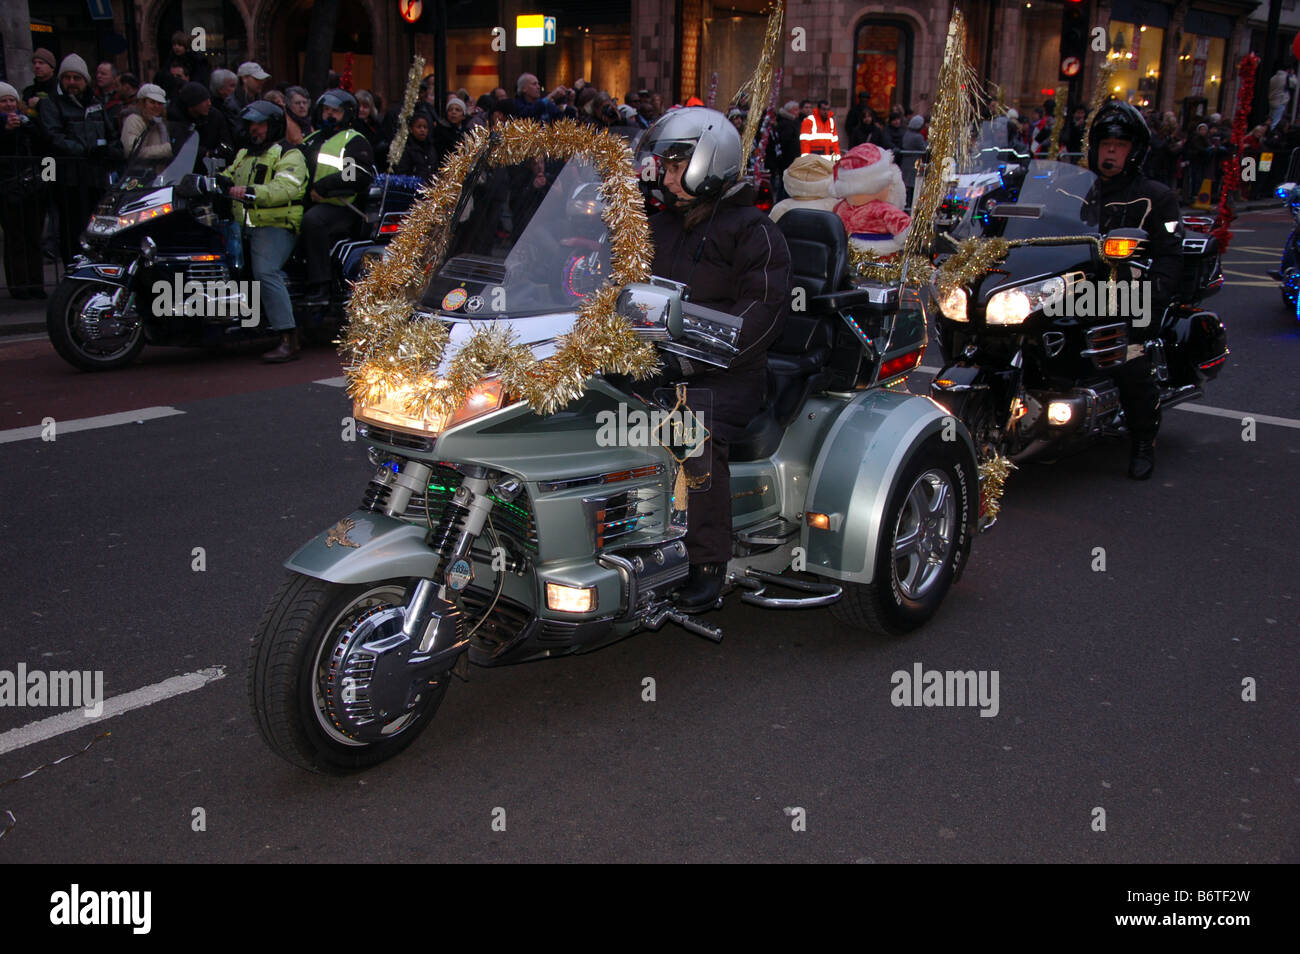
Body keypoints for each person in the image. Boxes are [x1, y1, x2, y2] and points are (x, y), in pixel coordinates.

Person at [635, 107, 792, 611]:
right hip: (656, 362)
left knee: (690, 430)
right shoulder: (655, 227)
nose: (666, 176)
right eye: (663, 165)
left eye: (676, 165)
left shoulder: (754, 230)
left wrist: (701, 354)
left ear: (709, 162)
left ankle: (706, 563)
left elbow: (762, 314)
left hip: (726, 376)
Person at [1082, 100, 1183, 480]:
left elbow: (1171, 256)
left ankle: (1143, 439)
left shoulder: (1157, 197)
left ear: (1134, 151)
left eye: (1119, 146)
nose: (1110, 151)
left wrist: (1154, 295)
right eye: (1106, 143)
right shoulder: (1077, 192)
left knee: (1126, 356)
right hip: (1079, 289)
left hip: (1130, 295)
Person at [227, 101, 308, 362]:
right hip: (244, 225)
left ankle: (288, 337)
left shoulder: (289, 154)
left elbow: (286, 188)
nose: (255, 130)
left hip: (277, 224)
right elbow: (228, 174)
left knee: (265, 271)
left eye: (260, 124)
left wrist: (252, 193)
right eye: (252, 124)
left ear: (273, 125)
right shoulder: (245, 154)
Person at [39, 54, 120, 267]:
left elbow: (110, 132)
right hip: (70, 179)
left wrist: (110, 150)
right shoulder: (52, 104)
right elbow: (54, 136)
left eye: (77, 78)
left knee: (97, 229)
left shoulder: (96, 104)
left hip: (95, 177)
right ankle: (73, 273)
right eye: (67, 78)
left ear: (86, 80)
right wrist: (85, 151)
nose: (72, 82)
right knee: (72, 230)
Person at [298, 90, 374, 308]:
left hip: (341, 206)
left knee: (313, 221)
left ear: (347, 114)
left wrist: (323, 187)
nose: (329, 114)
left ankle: (320, 284)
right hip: (309, 201)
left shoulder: (353, 140)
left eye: (335, 111)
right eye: (326, 110)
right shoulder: (312, 139)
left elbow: (354, 176)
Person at [0, 81, 48, 298]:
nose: (9, 104)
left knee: (33, 236)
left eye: (11, 100)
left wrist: (29, 125)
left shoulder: (27, 121)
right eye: (3, 101)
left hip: (32, 186)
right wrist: (6, 132)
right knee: (15, 238)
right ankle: (19, 286)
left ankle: (36, 284)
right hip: (7, 187)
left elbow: (42, 143)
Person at [119, 84, 172, 159]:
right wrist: (167, 149)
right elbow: (133, 150)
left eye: (159, 103)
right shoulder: (134, 120)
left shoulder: (160, 122)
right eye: (152, 102)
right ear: (143, 103)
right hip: (140, 169)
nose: (156, 106)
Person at [395, 113, 437, 179]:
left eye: (425, 127)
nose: (422, 130)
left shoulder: (431, 147)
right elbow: (402, 173)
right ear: (411, 129)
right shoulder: (406, 149)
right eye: (419, 127)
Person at [24, 48, 59, 113]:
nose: (37, 66)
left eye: (41, 63)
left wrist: (41, 103)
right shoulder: (28, 92)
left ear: (52, 67)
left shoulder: (60, 89)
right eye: (34, 63)